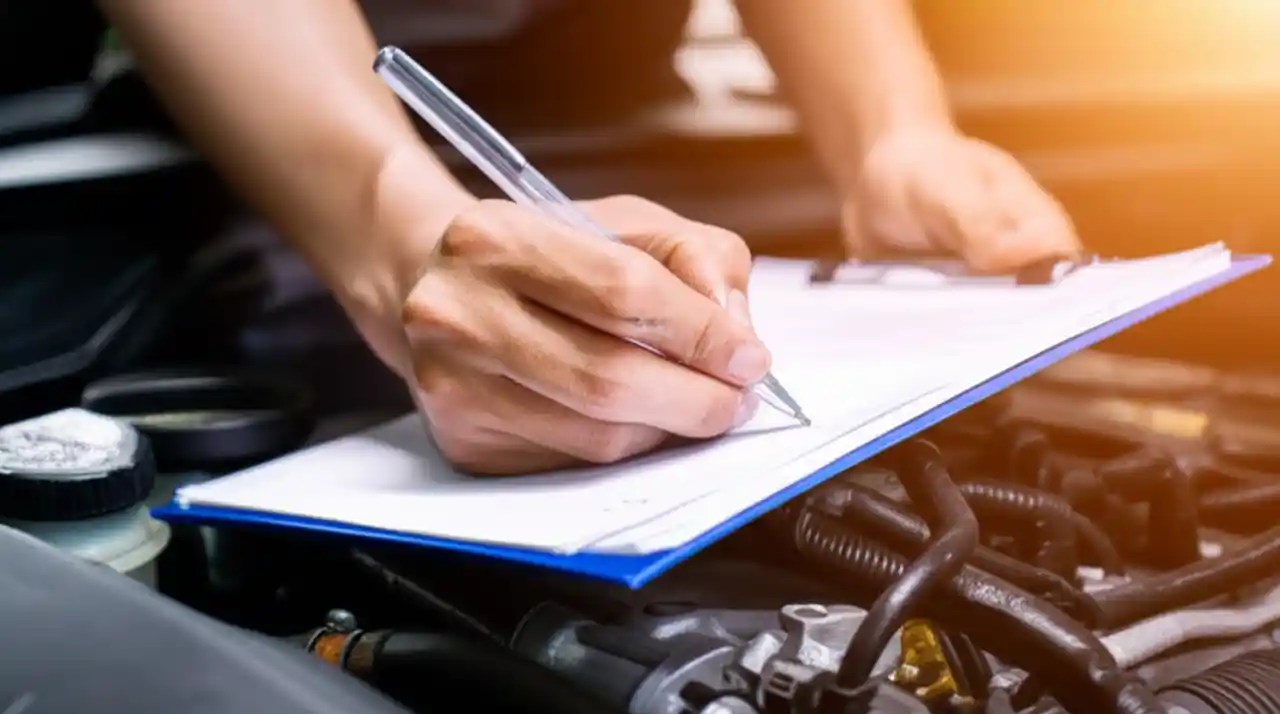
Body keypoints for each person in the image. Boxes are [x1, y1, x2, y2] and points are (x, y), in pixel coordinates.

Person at [97, 0, 1081, 474]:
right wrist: (407, 245)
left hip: (622, 116)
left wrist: (893, 132)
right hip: (287, 160)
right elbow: (388, 205)